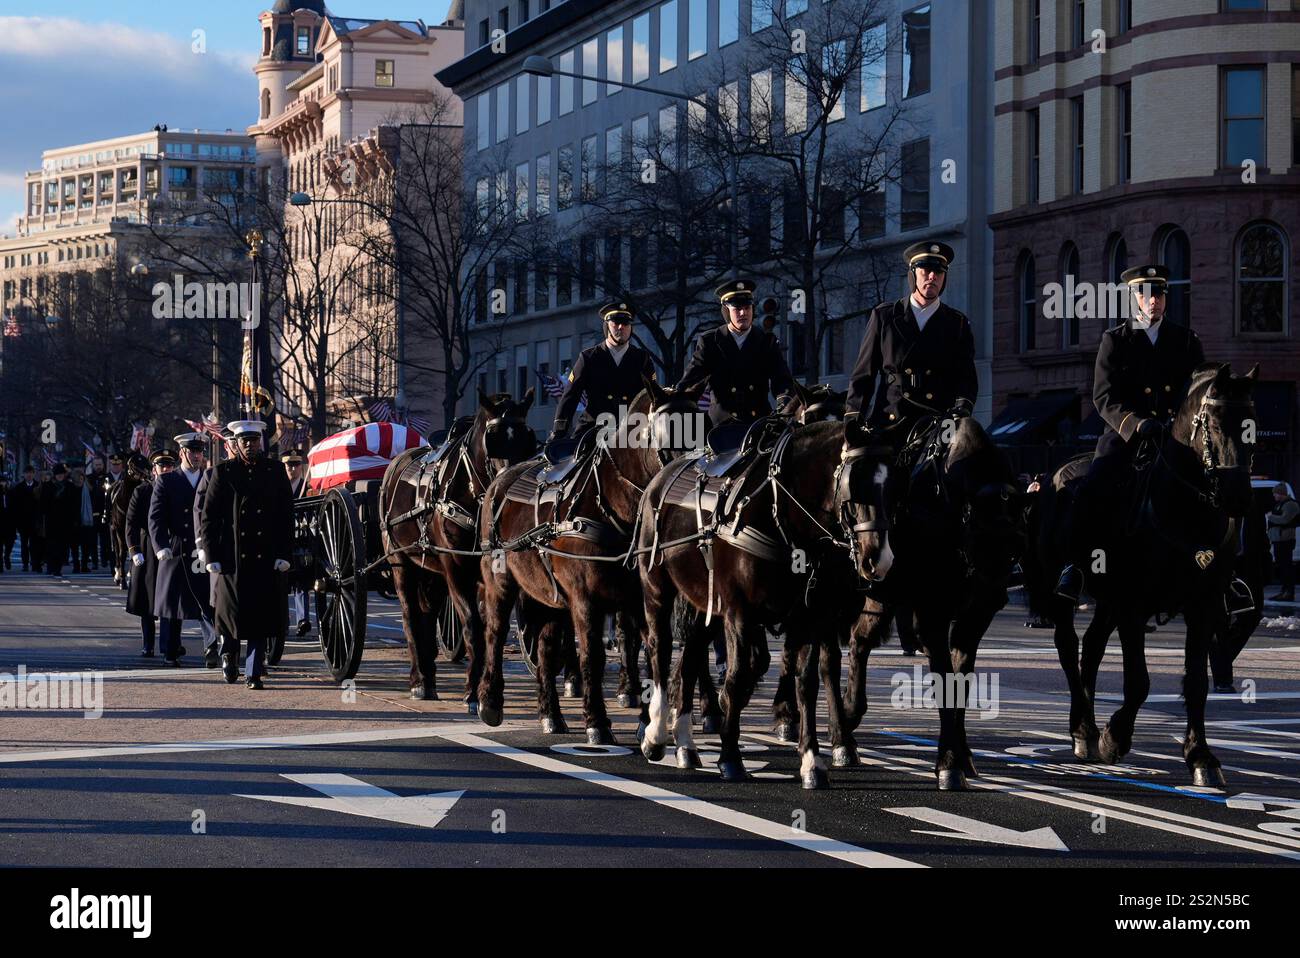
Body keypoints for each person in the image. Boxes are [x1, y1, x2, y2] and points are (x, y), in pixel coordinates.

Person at [1055, 266, 1252, 614]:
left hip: (1176, 437)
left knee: (1214, 490)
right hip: (1127, 436)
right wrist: (1136, 423)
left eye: (1159, 294)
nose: (1153, 301)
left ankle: (1227, 577)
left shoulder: (1186, 340)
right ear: (1133, 298)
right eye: (1145, 294)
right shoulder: (1115, 339)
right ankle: (1077, 568)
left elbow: (1197, 391)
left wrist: (1179, 423)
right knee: (1094, 489)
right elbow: (1103, 397)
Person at [845, 240, 978, 441]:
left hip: (939, 423)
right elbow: (864, 373)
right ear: (913, 273)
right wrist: (854, 416)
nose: (932, 276)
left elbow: (966, 377)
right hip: (890, 418)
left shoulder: (957, 323)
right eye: (926, 270)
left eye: (939, 272)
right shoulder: (885, 316)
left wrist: (961, 408)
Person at [201, 420, 294, 689]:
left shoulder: (275, 471)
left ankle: (253, 673)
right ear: (236, 444)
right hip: (232, 557)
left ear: (260, 442)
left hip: (265, 556)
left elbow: (287, 516)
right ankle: (229, 656)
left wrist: (284, 553)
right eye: (245, 442)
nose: (250, 446)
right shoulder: (223, 472)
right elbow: (209, 518)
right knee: (231, 616)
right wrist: (212, 556)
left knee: (261, 619)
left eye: (254, 441)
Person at [675, 279, 795, 445]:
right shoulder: (710, 342)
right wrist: (677, 398)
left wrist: (785, 402)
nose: (743, 313)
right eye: (737, 309)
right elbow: (692, 378)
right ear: (726, 311)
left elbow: (781, 379)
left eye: (747, 308)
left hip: (758, 425)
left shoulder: (766, 341)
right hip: (720, 427)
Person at [150, 433, 219, 668]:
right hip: (177, 548)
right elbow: (156, 518)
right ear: (182, 453)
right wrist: (161, 545)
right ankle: (170, 649)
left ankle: (212, 646)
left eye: (200, 451)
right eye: (192, 452)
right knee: (173, 603)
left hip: (202, 547)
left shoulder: (210, 477)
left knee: (207, 602)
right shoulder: (167, 481)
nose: (197, 456)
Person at [549, 302, 657, 442]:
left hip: (632, 432)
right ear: (607, 326)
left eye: (626, 323)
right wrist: (559, 431)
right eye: (616, 323)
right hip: (594, 430)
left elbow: (652, 397)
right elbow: (570, 396)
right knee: (572, 462)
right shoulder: (588, 358)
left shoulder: (642, 359)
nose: (621, 327)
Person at [126, 452, 170, 658]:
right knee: (147, 601)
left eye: (170, 466)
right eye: (162, 466)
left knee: (170, 599)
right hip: (147, 549)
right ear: (154, 469)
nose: (166, 470)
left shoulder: (178, 489)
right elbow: (131, 523)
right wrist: (134, 550)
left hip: (171, 548)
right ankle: (148, 643)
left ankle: (169, 644)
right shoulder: (142, 491)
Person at [283, 450, 310, 637]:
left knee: (301, 583)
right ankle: (282, 620)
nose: (292, 468)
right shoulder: (278, 486)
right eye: (289, 465)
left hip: (302, 540)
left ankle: (303, 619)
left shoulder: (307, 487)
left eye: (296, 465)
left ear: (301, 467)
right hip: (283, 540)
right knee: (282, 583)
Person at [40, 464, 78, 577]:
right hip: (51, 520)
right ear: (54, 475)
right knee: (51, 545)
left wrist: (74, 519)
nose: (60, 476)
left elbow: (74, 504)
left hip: (65, 521)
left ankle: (58, 568)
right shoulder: (48, 486)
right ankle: (50, 566)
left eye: (61, 474)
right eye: (58, 474)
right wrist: (43, 515)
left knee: (62, 546)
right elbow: (43, 503)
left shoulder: (70, 486)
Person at [1267, 483, 1298, 602]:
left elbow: (1285, 519)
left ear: (1281, 493)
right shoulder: (1281, 504)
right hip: (1279, 540)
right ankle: (1284, 591)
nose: (1274, 495)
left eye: (1275, 493)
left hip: (1285, 540)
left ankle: (1288, 593)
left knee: (1286, 567)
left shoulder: (1290, 505)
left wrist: (1270, 516)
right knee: (1282, 567)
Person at [11, 466, 40, 571]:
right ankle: (25, 563)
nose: (29, 475)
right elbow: (15, 506)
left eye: (31, 473)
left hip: (34, 520)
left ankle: (34, 562)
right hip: (23, 521)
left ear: (34, 474)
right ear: (24, 474)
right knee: (24, 544)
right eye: (27, 473)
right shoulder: (18, 488)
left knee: (34, 544)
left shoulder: (38, 486)